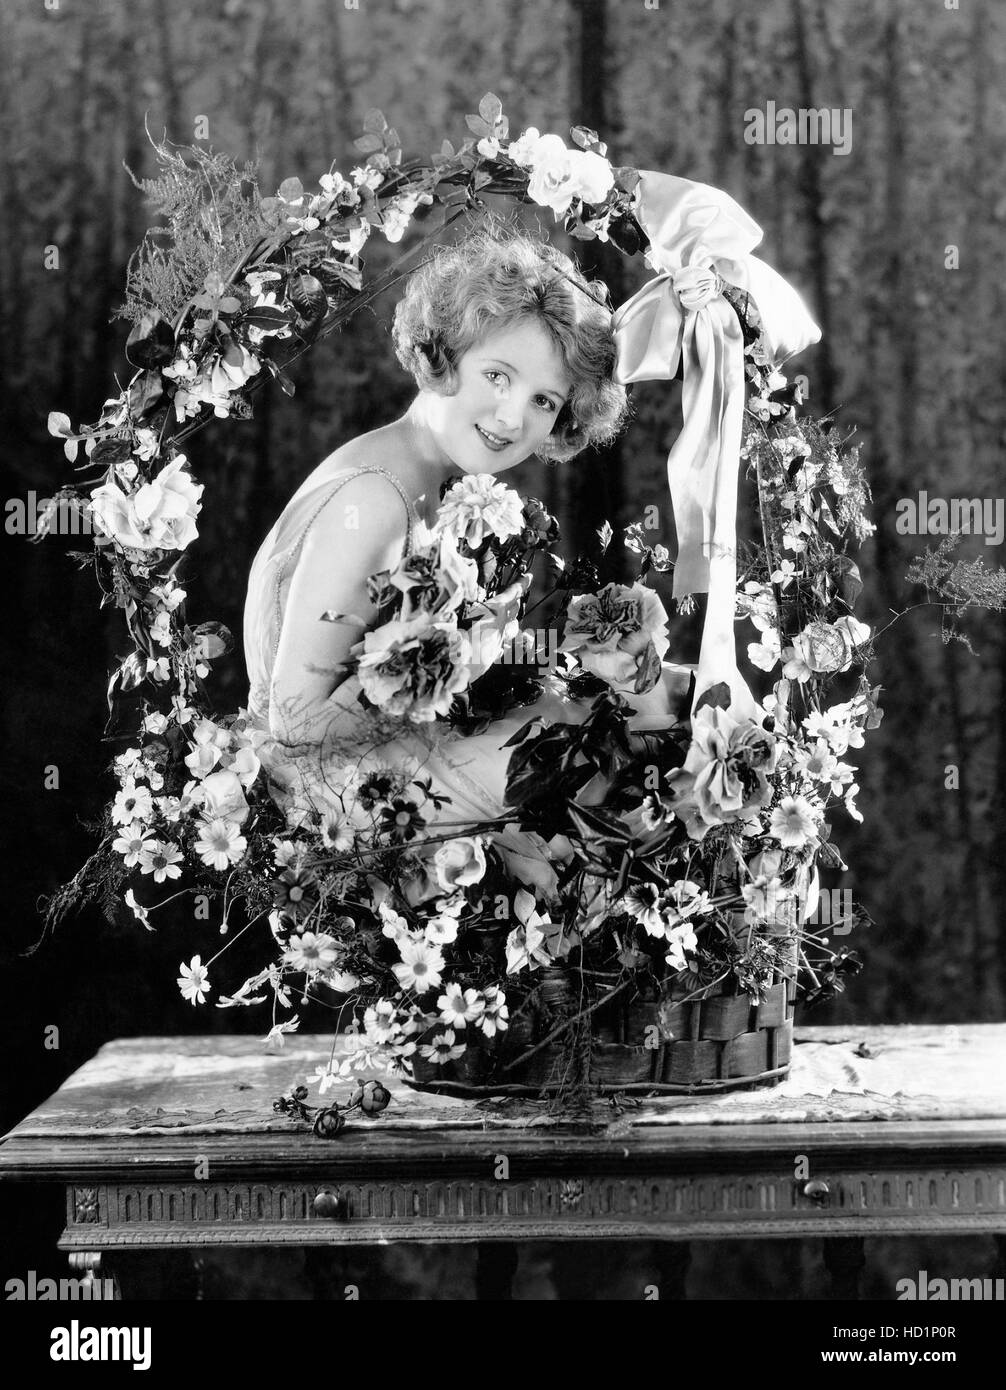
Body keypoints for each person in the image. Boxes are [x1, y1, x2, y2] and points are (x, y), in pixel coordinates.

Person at [243, 226, 685, 849]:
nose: (512, 418)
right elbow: (293, 729)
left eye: (543, 401)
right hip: (331, 803)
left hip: (370, 770)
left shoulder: (424, 477)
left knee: (642, 695)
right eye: (498, 376)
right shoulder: (376, 499)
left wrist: (546, 646)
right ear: (445, 352)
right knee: (619, 741)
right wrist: (453, 656)